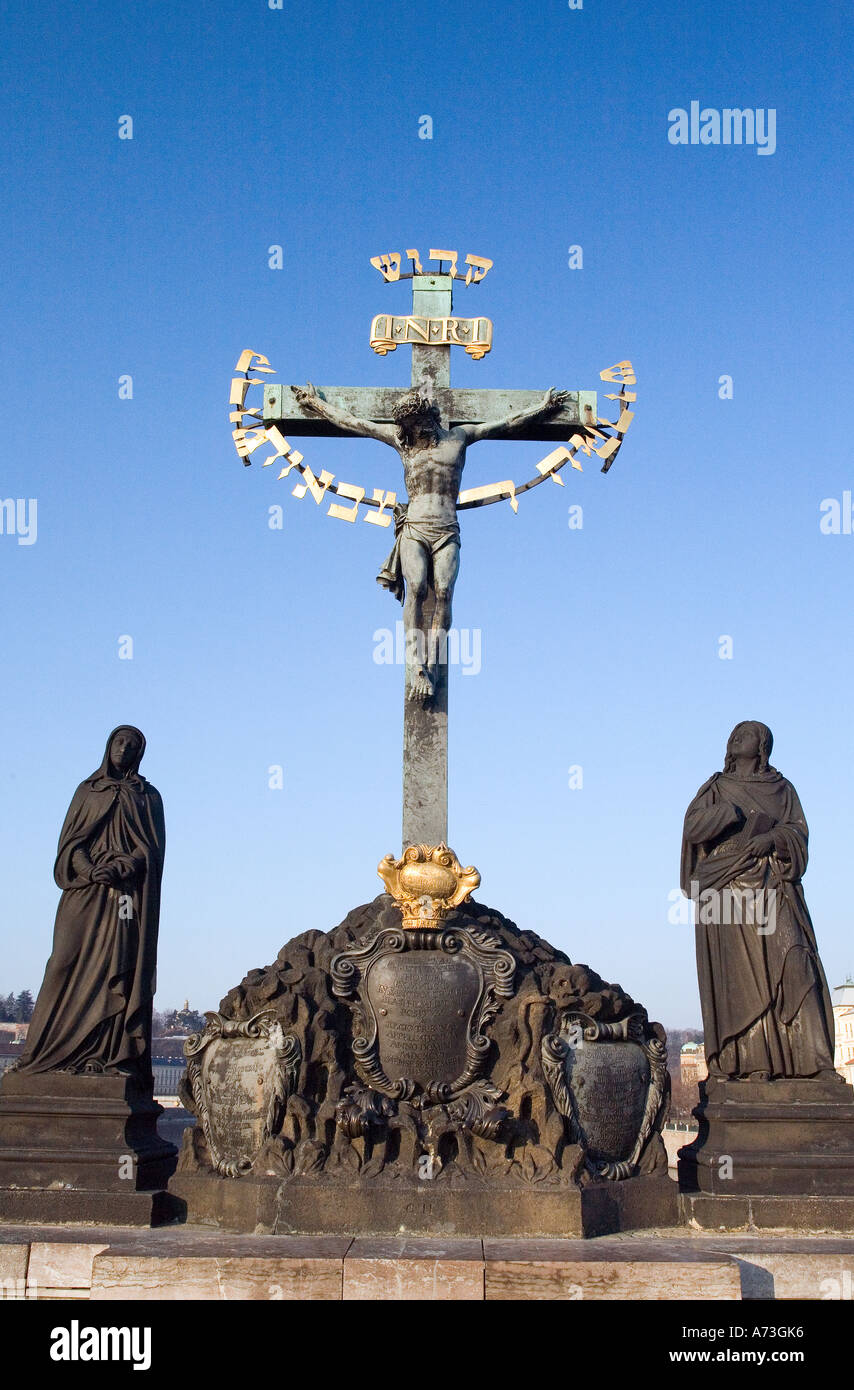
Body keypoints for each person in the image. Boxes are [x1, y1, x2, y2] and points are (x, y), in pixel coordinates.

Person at [294, 382, 568, 700]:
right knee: (417, 588)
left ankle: (433, 661)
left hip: (447, 528)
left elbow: (506, 423)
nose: (408, 431)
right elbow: (356, 423)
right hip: (415, 527)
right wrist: (316, 405)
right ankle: (417, 664)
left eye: (413, 425)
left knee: (443, 593)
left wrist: (543, 409)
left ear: (427, 420)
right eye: (406, 427)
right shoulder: (404, 444)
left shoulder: (459, 438)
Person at [680, 720, 836, 1080]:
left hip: (773, 882)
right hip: (728, 887)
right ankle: (753, 1064)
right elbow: (693, 828)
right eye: (734, 733)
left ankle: (815, 1063)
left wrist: (773, 840)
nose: (737, 737)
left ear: (762, 746)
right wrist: (729, 814)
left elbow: (798, 834)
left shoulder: (782, 789)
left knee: (796, 958)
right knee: (742, 977)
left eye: (746, 734)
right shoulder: (717, 788)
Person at [14, 726, 165, 1081]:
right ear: (108, 745)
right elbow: (70, 843)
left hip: (124, 898)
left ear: (138, 753)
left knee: (120, 966)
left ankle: (108, 1053)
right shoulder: (88, 791)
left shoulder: (147, 796)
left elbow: (152, 851)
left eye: (131, 744)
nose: (123, 747)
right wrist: (91, 868)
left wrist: (126, 864)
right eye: (119, 741)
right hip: (83, 891)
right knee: (61, 962)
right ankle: (40, 1055)